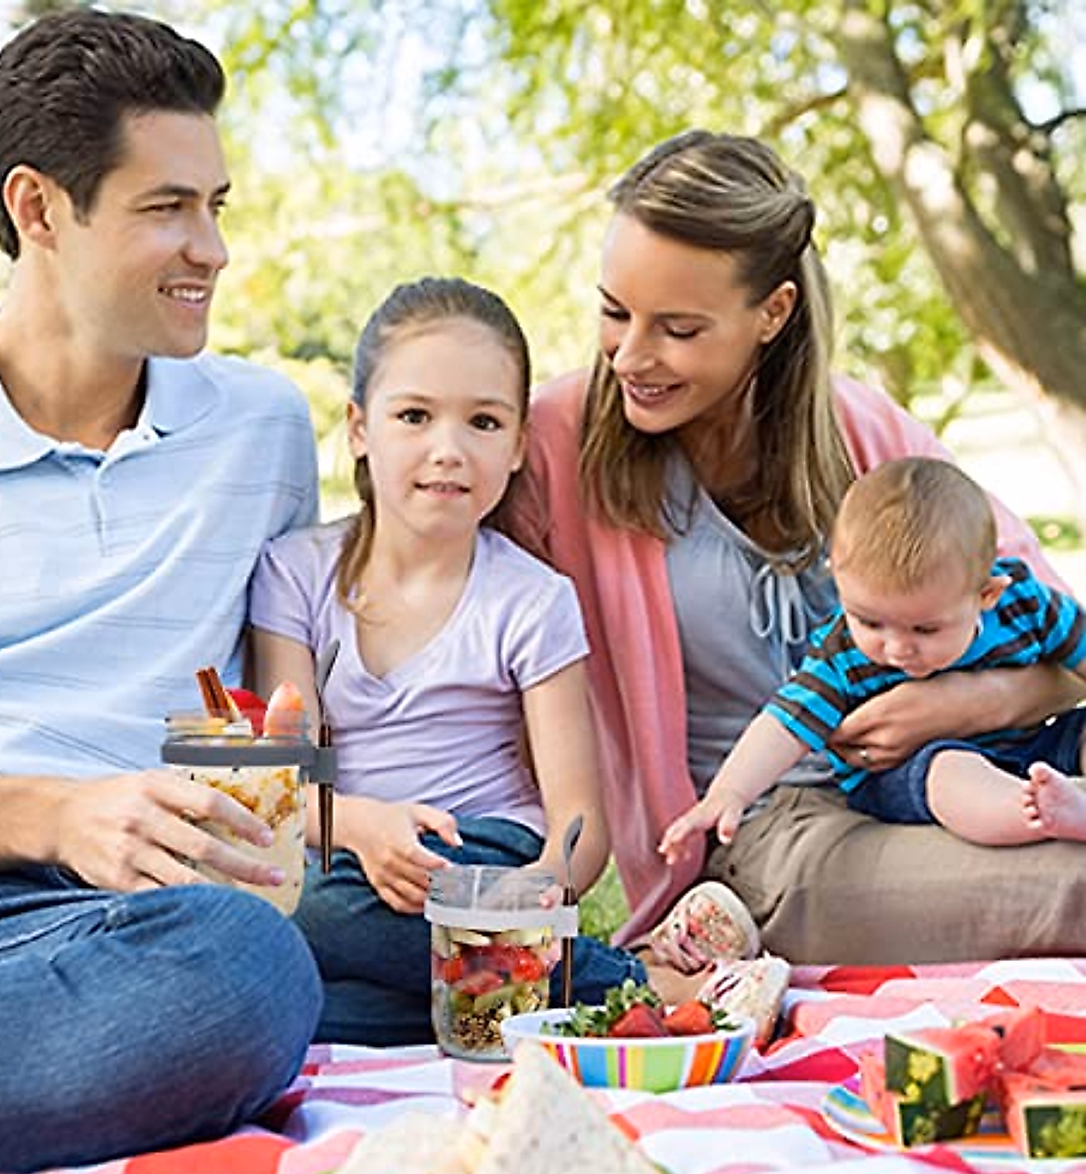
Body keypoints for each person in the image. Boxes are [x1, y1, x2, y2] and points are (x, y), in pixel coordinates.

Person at [0, 10, 322, 1174]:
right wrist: (56, 814)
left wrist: (288, 802)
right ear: (38, 209)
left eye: (215, 206)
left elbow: (257, 719)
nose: (211, 249)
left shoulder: (261, 430)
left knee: (256, 964)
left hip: (115, 919)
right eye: (167, 207)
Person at [502, 129, 1086, 966]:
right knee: (1069, 886)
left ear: (772, 313)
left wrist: (973, 703)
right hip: (765, 835)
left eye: (678, 328)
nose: (631, 355)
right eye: (614, 312)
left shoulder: (863, 433)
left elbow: (1049, 627)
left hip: (946, 780)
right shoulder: (558, 444)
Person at [250, 276, 660, 1046]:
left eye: (483, 421)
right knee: (284, 934)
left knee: (310, 921)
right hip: (345, 854)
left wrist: (530, 900)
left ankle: (626, 983)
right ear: (360, 428)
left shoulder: (532, 600)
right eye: (414, 416)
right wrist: (361, 826)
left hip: (483, 855)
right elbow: (283, 789)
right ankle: (499, 997)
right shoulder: (293, 574)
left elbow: (579, 825)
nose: (448, 449)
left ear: (517, 445)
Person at [660, 457, 1086, 858]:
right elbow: (784, 724)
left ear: (986, 595)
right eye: (870, 621)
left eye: (924, 629)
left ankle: (1067, 804)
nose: (896, 648)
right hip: (911, 771)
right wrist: (729, 793)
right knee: (948, 770)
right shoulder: (843, 653)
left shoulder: (1025, 604)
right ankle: (1035, 816)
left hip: (1033, 742)